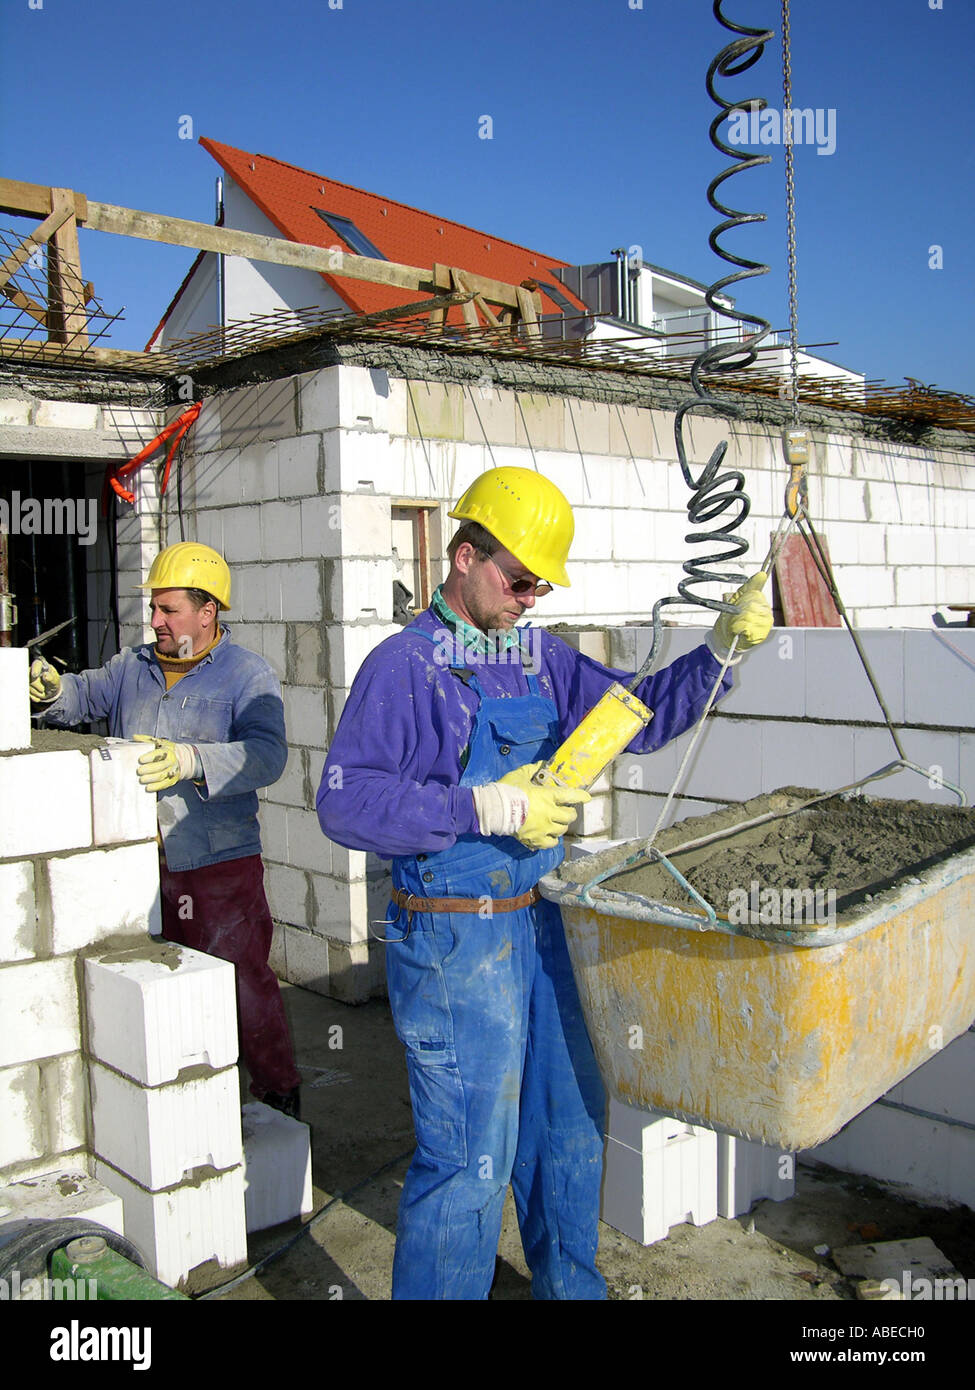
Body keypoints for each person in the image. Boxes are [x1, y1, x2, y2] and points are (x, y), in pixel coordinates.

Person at [316, 467, 772, 1299]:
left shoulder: (536, 656)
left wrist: (718, 653)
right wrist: (487, 803)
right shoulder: (406, 667)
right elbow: (346, 802)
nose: (532, 596)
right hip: (456, 937)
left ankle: (571, 1289)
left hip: (544, 926)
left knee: (567, 1128)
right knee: (466, 1159)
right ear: (463, 557)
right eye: (518, 579)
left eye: (541, 584)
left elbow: (632, 720)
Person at [29, 542, 302, 1118]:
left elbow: (268, 755)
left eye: (169, 610)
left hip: (217, 864)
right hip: (140, 863)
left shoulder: (247, 674)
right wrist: (53, 689)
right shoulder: (133, 667)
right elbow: (84, 696)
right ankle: (186, 1089)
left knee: (242, 979)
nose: (155, 621)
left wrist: (191, 760)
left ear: (208, 612)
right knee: (161, 983)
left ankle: (276, 1095)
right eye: (154, 609)